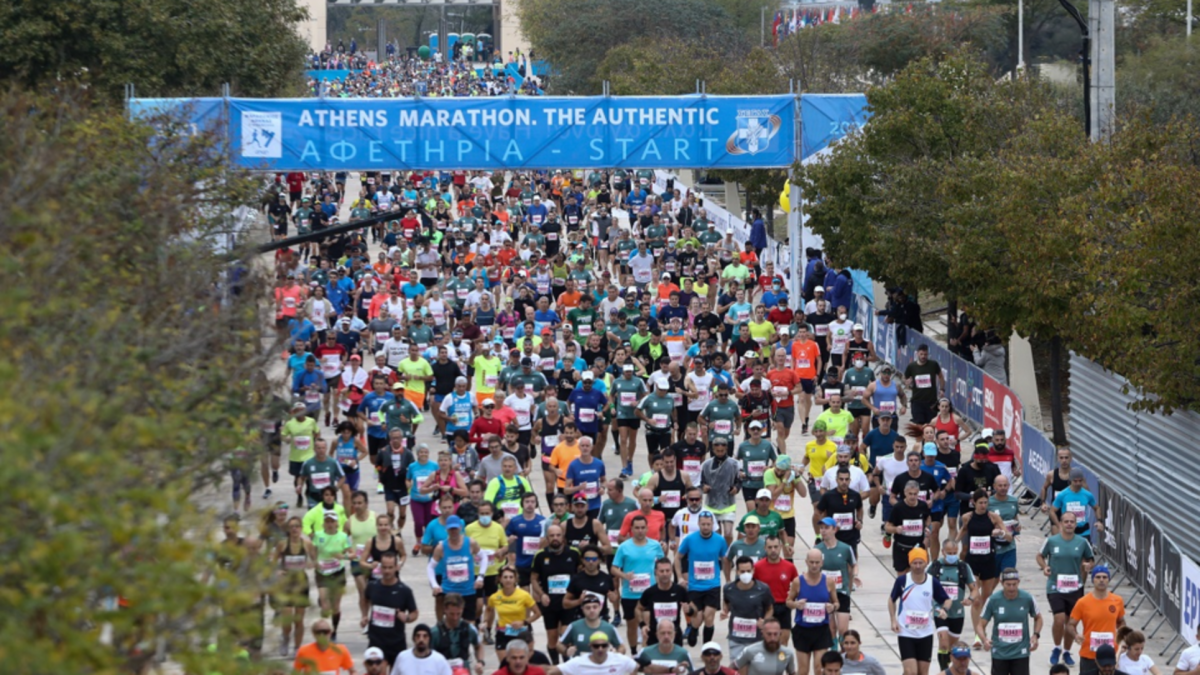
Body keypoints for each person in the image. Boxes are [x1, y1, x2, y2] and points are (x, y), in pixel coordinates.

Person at [959, 489, 1011, 646]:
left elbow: (1009, 537)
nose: (983, 505)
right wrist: (952, 547)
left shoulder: (993, 517)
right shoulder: (967, 517)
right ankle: (977, 635)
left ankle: (983, 628)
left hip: (989, 560)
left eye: (985, 503)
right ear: (974, 502)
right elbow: (962, 532)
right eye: (980, 503)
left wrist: (1000, 532)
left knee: (986, 597)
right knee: (976, 599)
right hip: (973, 561)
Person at [888, 548, 952, 675]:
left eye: (920, 563)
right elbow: (891, 600)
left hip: (925, 633)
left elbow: (947, 600)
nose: (917, 566)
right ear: (910, 563)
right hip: (906, 632)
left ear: (926, 562)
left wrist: (944, 610)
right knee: (910, 671)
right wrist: (893, 620)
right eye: (914, 563)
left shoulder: (932, 581)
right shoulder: (902, 581)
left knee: (922, 672)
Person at [611, 515, 666, 652]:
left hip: (650, 592)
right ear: (631, 529)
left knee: (648, 624)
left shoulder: (655, 545)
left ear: (647, 528)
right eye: (637, 528)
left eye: (642, 528)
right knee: (632, 625)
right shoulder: (623, 547)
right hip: (630, 593)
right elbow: (613, 568)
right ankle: (635, 652)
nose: (640, 531)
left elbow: (662, 564)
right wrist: (624, 575)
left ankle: (647, 652)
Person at [531, 523, 584, 663]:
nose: (555, 538)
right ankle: (555, 664)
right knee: (552, 638)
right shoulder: (540, 556)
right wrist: (541, 594)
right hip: (550, 602)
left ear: (563, 537)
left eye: (558, 535)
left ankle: (566, 666)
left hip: (568, 602)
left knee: (566, 635)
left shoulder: (573, 553)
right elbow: (534, 579)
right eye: (552, 535)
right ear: (547, 538)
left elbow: (581, 572)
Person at [676, 511, 728, 647]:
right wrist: (680, 577)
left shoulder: (720, 540)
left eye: (708, 524)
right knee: (697, 617)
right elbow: (677, 558)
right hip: (695, 586)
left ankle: (707, 646)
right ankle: (693, 629)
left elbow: (725, 559)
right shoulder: (689, 539)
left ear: (712, 525)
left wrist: (728, 580)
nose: (705, 527)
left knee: (709, 616)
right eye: (703, 524)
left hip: (713, 585)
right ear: (698, 524)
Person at [976, 568, 1042, 675]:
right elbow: (980, 625)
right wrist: (984, 640)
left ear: (1018, 582)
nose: (1012, 588)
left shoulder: (1027, 598)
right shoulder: (993, 600)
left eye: (1014, 584)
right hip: (1000, 653)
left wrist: (1035, 635)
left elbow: (1038, 618)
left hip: (1021, 653)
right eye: (1008, 584)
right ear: (1001, 583)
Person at [928, 540, 977, 671]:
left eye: (955, 553)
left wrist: (970, 599)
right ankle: (943, 671)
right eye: (949, 553)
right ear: (943, 552)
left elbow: (974, 589)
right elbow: (924, 583)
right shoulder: (935, 566)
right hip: (940, 610)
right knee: (943, 642)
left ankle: (951, 669)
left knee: (951, 647)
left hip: (957, 612)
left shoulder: (963, 567)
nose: (952, 555)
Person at [787, 549, 838, 675]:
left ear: (822, 563)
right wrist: (796, 604)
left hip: (821, 630)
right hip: (802, 630)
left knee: (819, 669)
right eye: (811, 562)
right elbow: (788, 601)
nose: (814, 566)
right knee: (803, 670)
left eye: (817, 562)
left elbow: (836, 602)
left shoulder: (829, 582)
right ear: (806, 562)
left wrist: (832, 607)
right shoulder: (798, 582)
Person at [1067, 566, 1125, 674]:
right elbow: (1070, 625)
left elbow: (1121, 622)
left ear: (1109, 579)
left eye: (1104, 577)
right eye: (1098, 577)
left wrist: (1121, 637)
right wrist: (1076, 635)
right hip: (1089, 654)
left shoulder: (1117, 600)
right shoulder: (1082, 602)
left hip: (1110, 655)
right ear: (1093, 579)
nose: (1101, 580)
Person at [365, 551, 419, 666]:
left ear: (396, 567)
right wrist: (364, 615)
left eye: (390, 567)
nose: (387, 571)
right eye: (384, 567)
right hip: (376, 641)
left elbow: (414, 612)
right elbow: (365, 599)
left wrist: (407, 618)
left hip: (396, 642)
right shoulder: (372, 586)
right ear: (380, 567)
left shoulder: (404, 591)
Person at [429, 515, 482, 624]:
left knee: (470, 622)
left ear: (460, 528)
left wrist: (480, 577)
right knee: (451, 621)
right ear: (447, 529)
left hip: (468, 590)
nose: (453, 531)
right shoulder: (441, 547)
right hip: (449, 590)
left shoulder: (470, 543)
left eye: (455, 528)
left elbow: (484, 557)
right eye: (451, 529)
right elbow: (430, 567)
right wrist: (435, 585)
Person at [814, 519, 858, 644]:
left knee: (843, 630)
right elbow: (813, 569)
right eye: (821, 528)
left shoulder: (845, 548)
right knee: (831, 629)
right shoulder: (817, 550)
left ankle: (845, 654)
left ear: (835, 529)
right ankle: (834, 658)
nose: (823, 531)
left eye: (826, 528)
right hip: (825, 594)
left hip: (842, 592)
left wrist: (854, 575)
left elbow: (854, 564)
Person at [723, 556, 775, 661]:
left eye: (748, 571)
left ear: (753, 570)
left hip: (757, 640)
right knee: (736, 670)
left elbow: (770, 609)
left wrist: (765, 621)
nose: (746, 574)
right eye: (742, 571)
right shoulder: (728, 589)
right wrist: (725, 611)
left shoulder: (763, 589)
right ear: (737, 571)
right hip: (736, 639)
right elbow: (726, 603)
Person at [490, 567, 541, 663]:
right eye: (505, 577)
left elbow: (538, 613)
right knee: (505, 665)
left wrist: (524, 622)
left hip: (521, 633)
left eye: (511, 577)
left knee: (522, 665)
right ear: (500, 579)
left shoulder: (524, 595)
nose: (508, 580)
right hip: (503, 633)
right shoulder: (494, 597)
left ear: (515, 579)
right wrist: (485, 622)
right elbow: (488, 610)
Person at [638, 557, 688, 647]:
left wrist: (690, 610)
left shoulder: (680, 591)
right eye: (662, 571)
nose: (665, 574)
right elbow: (638, 609)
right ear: (656, 572)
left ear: (672, 571)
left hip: (674, 636)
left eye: (667, 571)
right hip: (654, 637)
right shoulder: (649, 592)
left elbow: (693, 610)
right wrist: (642, 625)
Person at [431, 593, 484, 674]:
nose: (455, 618)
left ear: (462, 609)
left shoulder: (469, 629)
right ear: (445, 610)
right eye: (451, 614)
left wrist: (480, 662)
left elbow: (479, 646)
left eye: (458, 614)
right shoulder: (435, 632)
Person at [548, 630, 639, 675]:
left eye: (604, 646)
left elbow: (636, 667)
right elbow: (552, 672)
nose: (600, 649)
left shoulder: (619, 659)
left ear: (608, 646)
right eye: (596, 646)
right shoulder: (578, 662)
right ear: (590, 646)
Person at [559, 595, 624, 657]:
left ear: (600, 608)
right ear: (582, 609)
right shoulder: (574, 626)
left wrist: (617, 654)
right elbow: (559, 644)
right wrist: (566, 651)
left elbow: (621, 647)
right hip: (581, 666)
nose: (592, 610)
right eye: (588, 608)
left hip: (602, 666)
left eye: (595, 607)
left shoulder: (610, 628)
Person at [1051, 468, 1104, 540]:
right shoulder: (1062, 495)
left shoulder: (1087, 494)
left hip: (1084, 532)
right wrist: (1059, 526)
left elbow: (1096, 508)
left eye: (1080, 481)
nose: (1078, 483)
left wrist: (1099, 521)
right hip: (1068, 532)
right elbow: (1052, 511)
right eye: (1075, 481)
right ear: (1070, 481)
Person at [903, 344, 943, 425]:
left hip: (931, 402)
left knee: (930, 426)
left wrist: (942, 389)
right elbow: (904, 377)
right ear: (917, 354)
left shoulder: (933, 364)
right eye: (921, 354)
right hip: (917, 401)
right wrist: (906, 382)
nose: (923, 356)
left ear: (928, 354)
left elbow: (941, 377)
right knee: (919, 426)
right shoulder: (912, 366)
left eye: (925, 354)